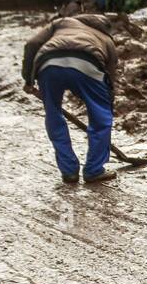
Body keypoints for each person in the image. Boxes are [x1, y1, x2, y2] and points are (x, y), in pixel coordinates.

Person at [21, 14, 120, 184]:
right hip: (87, 64)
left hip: (48, 65)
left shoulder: (61, 22)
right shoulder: (106, 39)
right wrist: (107, 105)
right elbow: (110, 78)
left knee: (53, 114)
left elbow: (32, 44)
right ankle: (94, 170)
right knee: (100, 118)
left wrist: (28, 79)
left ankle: (69, 172)